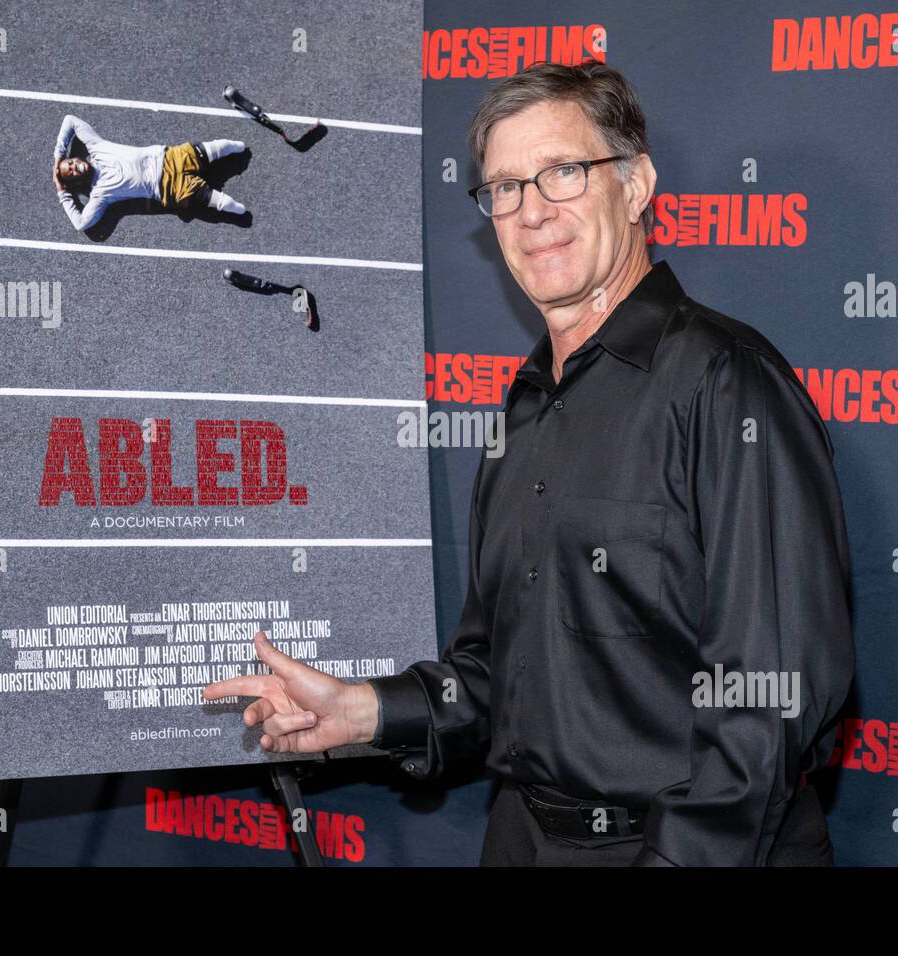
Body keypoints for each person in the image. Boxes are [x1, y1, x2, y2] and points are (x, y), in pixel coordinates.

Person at [202, 61, 855, 867]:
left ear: (637, 184)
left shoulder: (726, 385)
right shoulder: (525, 403)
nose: (531, 210)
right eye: (504, 187)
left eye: (563, 172)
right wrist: (364, 711)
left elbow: (768, 709)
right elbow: (499, 673)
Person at [51, 113, 247, 232]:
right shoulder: (100, 195)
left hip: (171, 157)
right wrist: (62, 192)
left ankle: (241, 150)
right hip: (170, 189)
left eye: (70, 163)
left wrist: (58, 156)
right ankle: (242, 214)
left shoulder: (96, 146)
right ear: (76, 182)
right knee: (227, 204)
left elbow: (70, 121)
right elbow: (81, 224)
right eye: (71, 173)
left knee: (227, 145)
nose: (74, 167)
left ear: (74, 158)